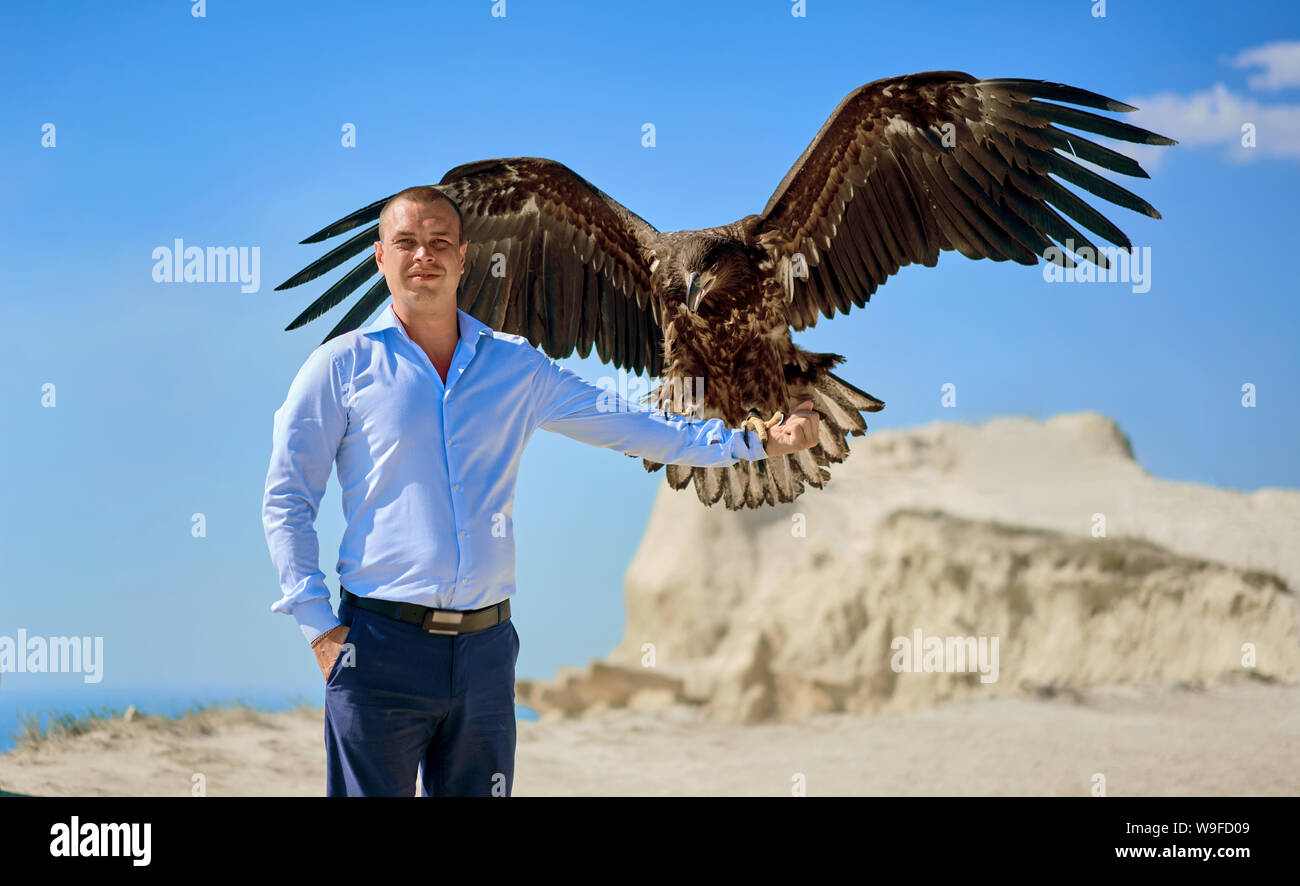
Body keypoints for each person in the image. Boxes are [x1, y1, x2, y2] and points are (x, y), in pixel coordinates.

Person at [261, 186, 820, 797]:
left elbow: (635, 424)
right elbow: (288, 497)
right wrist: (318, 627)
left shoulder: (515, 368)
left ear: (465, 258)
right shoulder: (341, 367)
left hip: (485, 655)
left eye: (440, 243)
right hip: (377, 648)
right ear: (379, 258)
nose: (424, 256)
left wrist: (756, 443)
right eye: (406, 243)